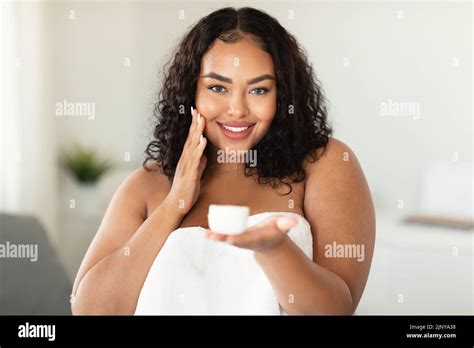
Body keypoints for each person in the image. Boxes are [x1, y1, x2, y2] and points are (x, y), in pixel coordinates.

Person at [71, 7, 375, 315]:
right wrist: (174, 204)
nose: (236, 109)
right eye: (218, 87)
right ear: (191, 92)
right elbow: (90, 312)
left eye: (258, 89)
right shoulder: (147, 184)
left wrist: (274, 251)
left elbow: (336, 310)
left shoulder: (325, 165)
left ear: (282, 96)